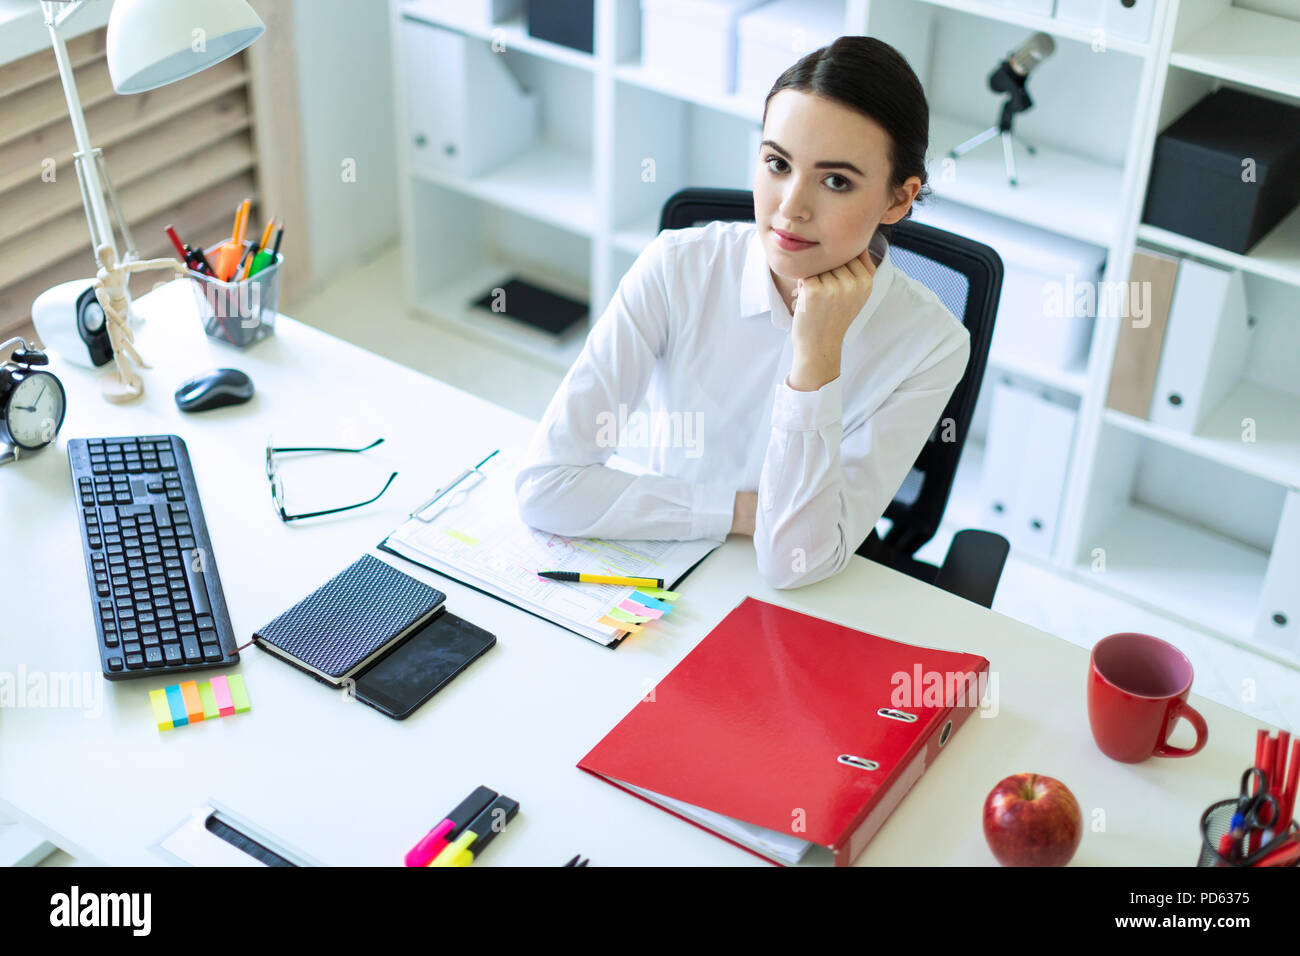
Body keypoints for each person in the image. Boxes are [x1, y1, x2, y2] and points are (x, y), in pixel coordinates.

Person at [515, 36, 970, 589]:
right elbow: (546, 487)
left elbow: (791, 565)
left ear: (899, 200)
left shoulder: (932, 342)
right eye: (777, 163)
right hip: (662, 562)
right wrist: (740, 511)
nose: (791, 207)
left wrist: (816, 356)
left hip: (799, 601)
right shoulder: (677, 267)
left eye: (836, 181)